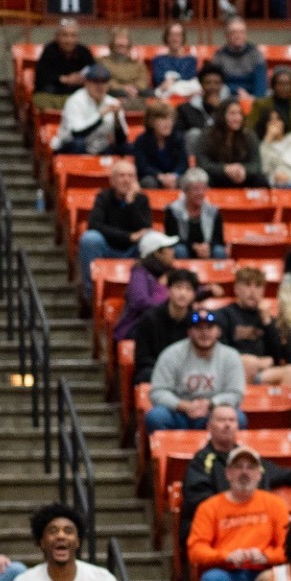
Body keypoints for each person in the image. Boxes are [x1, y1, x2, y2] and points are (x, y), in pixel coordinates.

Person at [179, 404, 291, 544]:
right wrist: (239, 514)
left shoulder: (248, 458)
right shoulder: (201, 462)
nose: (227, 425)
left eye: (231, 421)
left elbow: (284, 473)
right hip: (221, 529)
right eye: (221, 420)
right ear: (209, 426)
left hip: (256, 528)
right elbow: (198, 503)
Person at [188, 445, 291, 581]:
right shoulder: (210, 507)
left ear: (259, 474)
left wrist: (265, 556)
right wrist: (225, 556)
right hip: (227, 572)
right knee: (212, 579)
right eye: (238, 467)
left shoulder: (275, 504)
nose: (244, 472)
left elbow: (289, 549)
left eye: (250, 467)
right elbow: (196, 550)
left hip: (264, 572)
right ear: (228, 473)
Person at [146, 310, 245, 432]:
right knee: (156, 416)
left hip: (213, 413)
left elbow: (235, 393)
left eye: (209, 328)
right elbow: (158, 391)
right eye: (198, 328)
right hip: (178, 412)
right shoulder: (171, 354)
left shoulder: (231, 356)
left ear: (218, 331)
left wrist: (211, 403)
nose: (204, 332)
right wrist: (185, 406)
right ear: (189, 332)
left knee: (238, 418)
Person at [76, 160, 153, 300]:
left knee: (151, 239)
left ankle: (148, 292)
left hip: (133, 249)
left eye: (131, 176)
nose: (126, 180)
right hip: (108, 246)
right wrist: (128, 237)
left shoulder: (141, 199)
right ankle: (91, 295)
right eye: (122, 176)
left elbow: (145, 228)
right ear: (112, 180)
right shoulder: (103, 197)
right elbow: (94, 224)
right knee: (90, 239)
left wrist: (131, 203)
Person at [132, 265, 199, 382]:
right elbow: (142, 359)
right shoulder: (150, 319)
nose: (183, 293)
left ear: (194, 295)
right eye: (178, 287)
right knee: (146, 375)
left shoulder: (197, 321)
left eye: (188, 289)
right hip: (157, 369)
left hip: (189, 372)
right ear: (168, 290)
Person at [54, 65, 128, 156]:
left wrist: (116, 118)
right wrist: (100, 115)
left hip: (100, 148)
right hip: (70, 147)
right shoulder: (75, 101)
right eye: (96, 82)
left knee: (126, 147)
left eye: (104, 82)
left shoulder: (113, 103)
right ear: (87, 83)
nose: (100, 86)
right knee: (78, 144)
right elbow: (77, 133)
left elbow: (122, 139)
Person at [199, 100, 265, 189]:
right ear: (222, 115)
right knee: (203, 179)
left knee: (260, 180)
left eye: (240, 114)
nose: (238, 118)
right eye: (232, 114)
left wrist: (243, 169)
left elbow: (256, 165)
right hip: (218, 177)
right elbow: (203, 163)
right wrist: (225, 168)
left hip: (241, 177)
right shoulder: (208, 134)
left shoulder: (249, 135)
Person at [32, 19, 96, 111]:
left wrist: (81, 79)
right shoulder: (49, 51)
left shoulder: (84, 51)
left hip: (77, 95)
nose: (69, 40)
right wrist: (64, 79)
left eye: (73, 36)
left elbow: (93, 72)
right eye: (65, 35)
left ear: (78, 37)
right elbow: (41, 77)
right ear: (57, 36)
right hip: (52, 94)